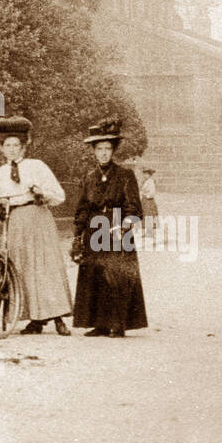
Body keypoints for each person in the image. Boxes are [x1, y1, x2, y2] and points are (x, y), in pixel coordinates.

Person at [0, 116, 71, 335]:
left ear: (24, 146)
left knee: (45, 267)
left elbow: (59, 196)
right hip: (15, 221)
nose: (12, 150)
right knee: (22, 268)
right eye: (7, 145)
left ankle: (58, 317)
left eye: (16, 145)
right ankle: (34, 320)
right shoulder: (0, 172)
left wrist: (41, 193)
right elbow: (2, 198)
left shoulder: (37, 166)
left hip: (37, 218)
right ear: (1, 147)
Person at [72, 119, 148, 337]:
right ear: (93, 152)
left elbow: (135, 208)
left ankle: (118, 323)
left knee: (116, 276)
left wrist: (124, 226)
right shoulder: (88, 177)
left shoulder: (125, 175)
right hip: (94, 228)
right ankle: (100, 323)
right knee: (95, 275)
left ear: (113, 150)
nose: (104, 153)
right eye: (99, 149)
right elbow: (82, 208)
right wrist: (77, 236)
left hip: (117, 227)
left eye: (108, 149)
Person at [139, 167, 158, 241]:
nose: (145, 175)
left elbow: (152, 192)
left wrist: (147, 195)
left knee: (149, 215)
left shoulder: (151, 181)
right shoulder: (145, 181)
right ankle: (147, 231)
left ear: (150, 175)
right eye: (144, 174)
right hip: (144, 200)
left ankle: (150, 232)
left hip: (149, 200)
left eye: (147, 174)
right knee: (145, 215)